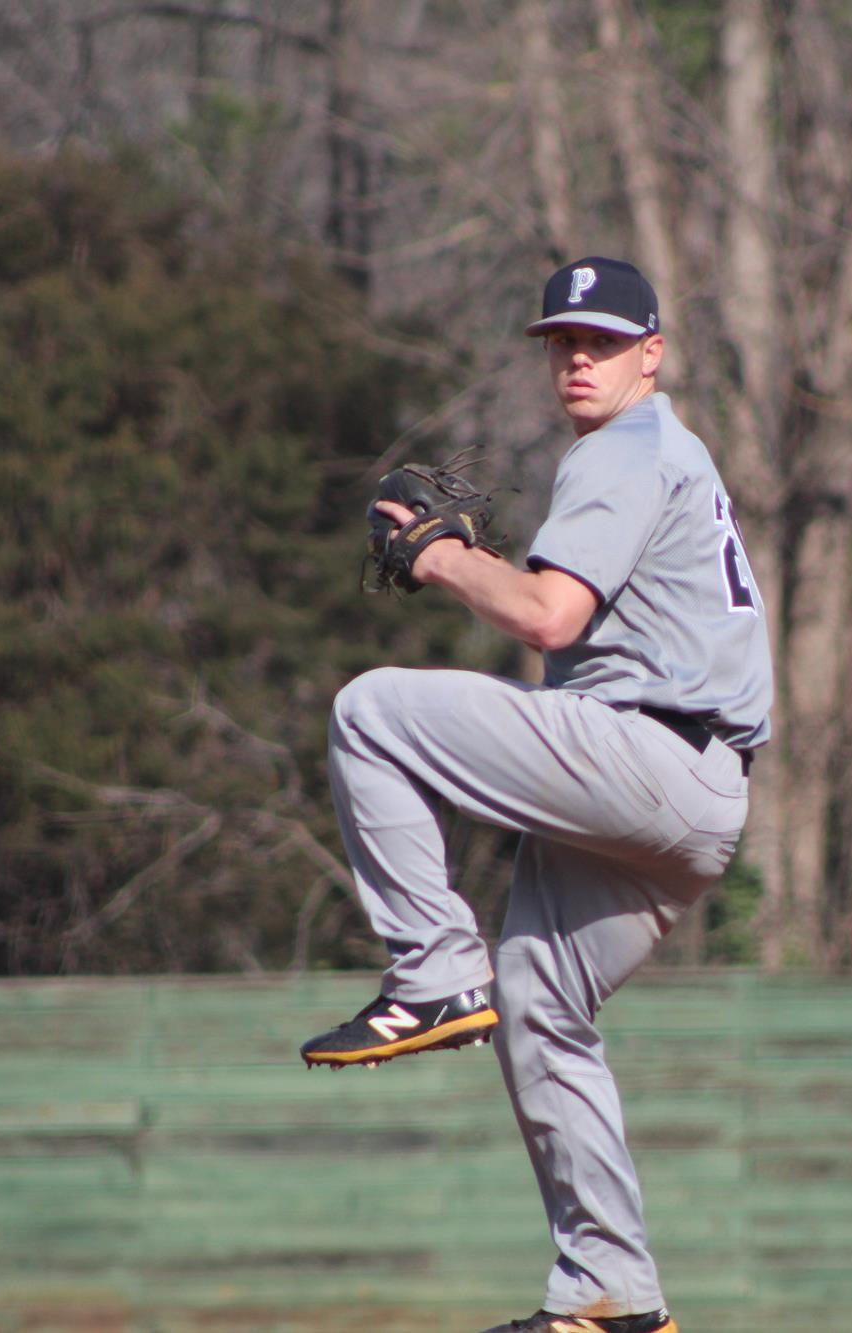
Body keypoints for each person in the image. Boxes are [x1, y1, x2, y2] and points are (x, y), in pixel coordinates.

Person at [300, 256, 774, 1333]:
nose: (577, 358)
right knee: (538, 1006)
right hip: (692, 799)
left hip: (651, 759)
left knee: (371, 711)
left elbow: (549, 617)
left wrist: (445, 560)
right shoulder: (668, 456)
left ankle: (429, 973)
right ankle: (611, 1298)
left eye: (601, 340)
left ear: (649, 355)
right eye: (563, 340)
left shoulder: (627, 446)